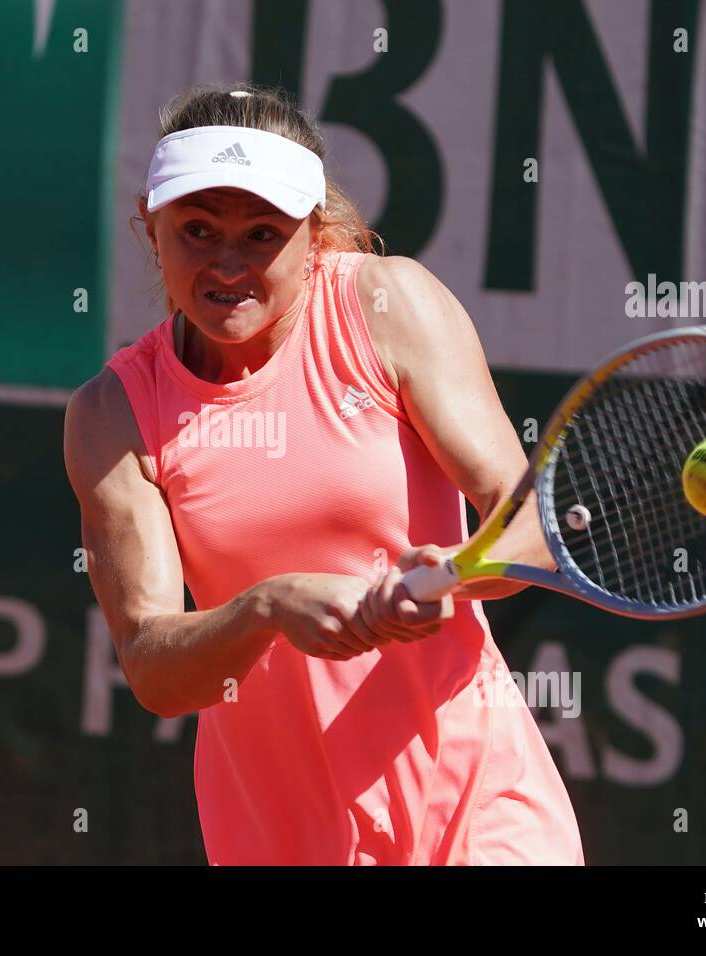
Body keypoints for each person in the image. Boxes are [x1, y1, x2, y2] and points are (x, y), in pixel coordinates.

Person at [63, 83, 582, 865]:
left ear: (317, 233)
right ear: (151, 225)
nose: (227, 265)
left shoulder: (387, 303)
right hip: (280, 830)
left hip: (478, 804)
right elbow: (155, 668)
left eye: (263, 234)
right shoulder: (114, 413)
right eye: (197, 231)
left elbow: (531, 523)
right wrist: (267, 606)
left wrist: (458, 570)